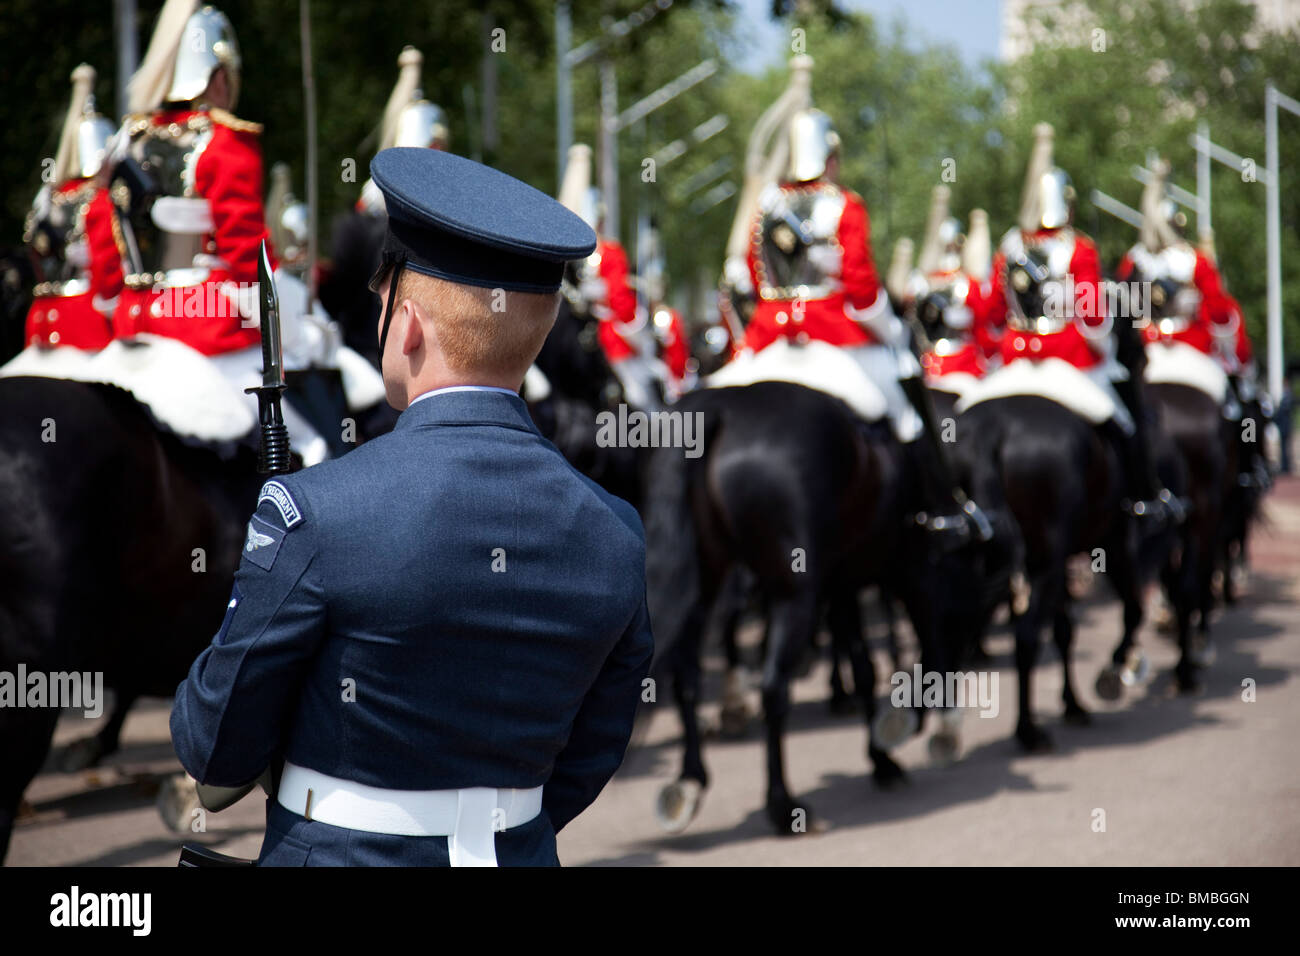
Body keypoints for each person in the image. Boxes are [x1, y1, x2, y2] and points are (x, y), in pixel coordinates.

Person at [170, 146, 654, 867]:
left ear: (410, 325)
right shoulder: (614, 532)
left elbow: (212, 741)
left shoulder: (316, 509)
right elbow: (595, 748)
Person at [98, 0, 328, 463]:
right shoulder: (225, 141)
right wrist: (293, 325)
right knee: (314, 445)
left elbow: (107, 255)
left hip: (133, 324)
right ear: (218, 76)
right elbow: (249, 259)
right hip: (205, 326)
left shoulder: (128, 143)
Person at [731, 107, 980, 531]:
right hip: (835, 337)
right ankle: (936, 511)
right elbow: (863, 291)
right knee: (906, 410)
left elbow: (756, 281)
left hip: (768, 340)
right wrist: (894, 331)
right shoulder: (843, 205)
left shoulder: (765, 210)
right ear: (830, 157)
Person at [980, 123, 1169, 519]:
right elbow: (1093, 315)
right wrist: (1106, 347)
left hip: (1012, 362)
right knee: (1127, 423)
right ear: (1066, 205)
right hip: (1071, 360)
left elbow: (993, 314)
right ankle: (1141, 498)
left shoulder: (1009, 249)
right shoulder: (1079, 248)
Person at [21, 64, 119, 352]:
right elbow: (109, 272)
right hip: (88, 322)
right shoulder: (100, 200)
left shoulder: (49, 199)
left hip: (42, 319)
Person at [557, 144, 659, 410]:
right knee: (639, 397)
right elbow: (620, 301)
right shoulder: (610, 252)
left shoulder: (563, 253)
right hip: (607, 337)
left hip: (562, 333)